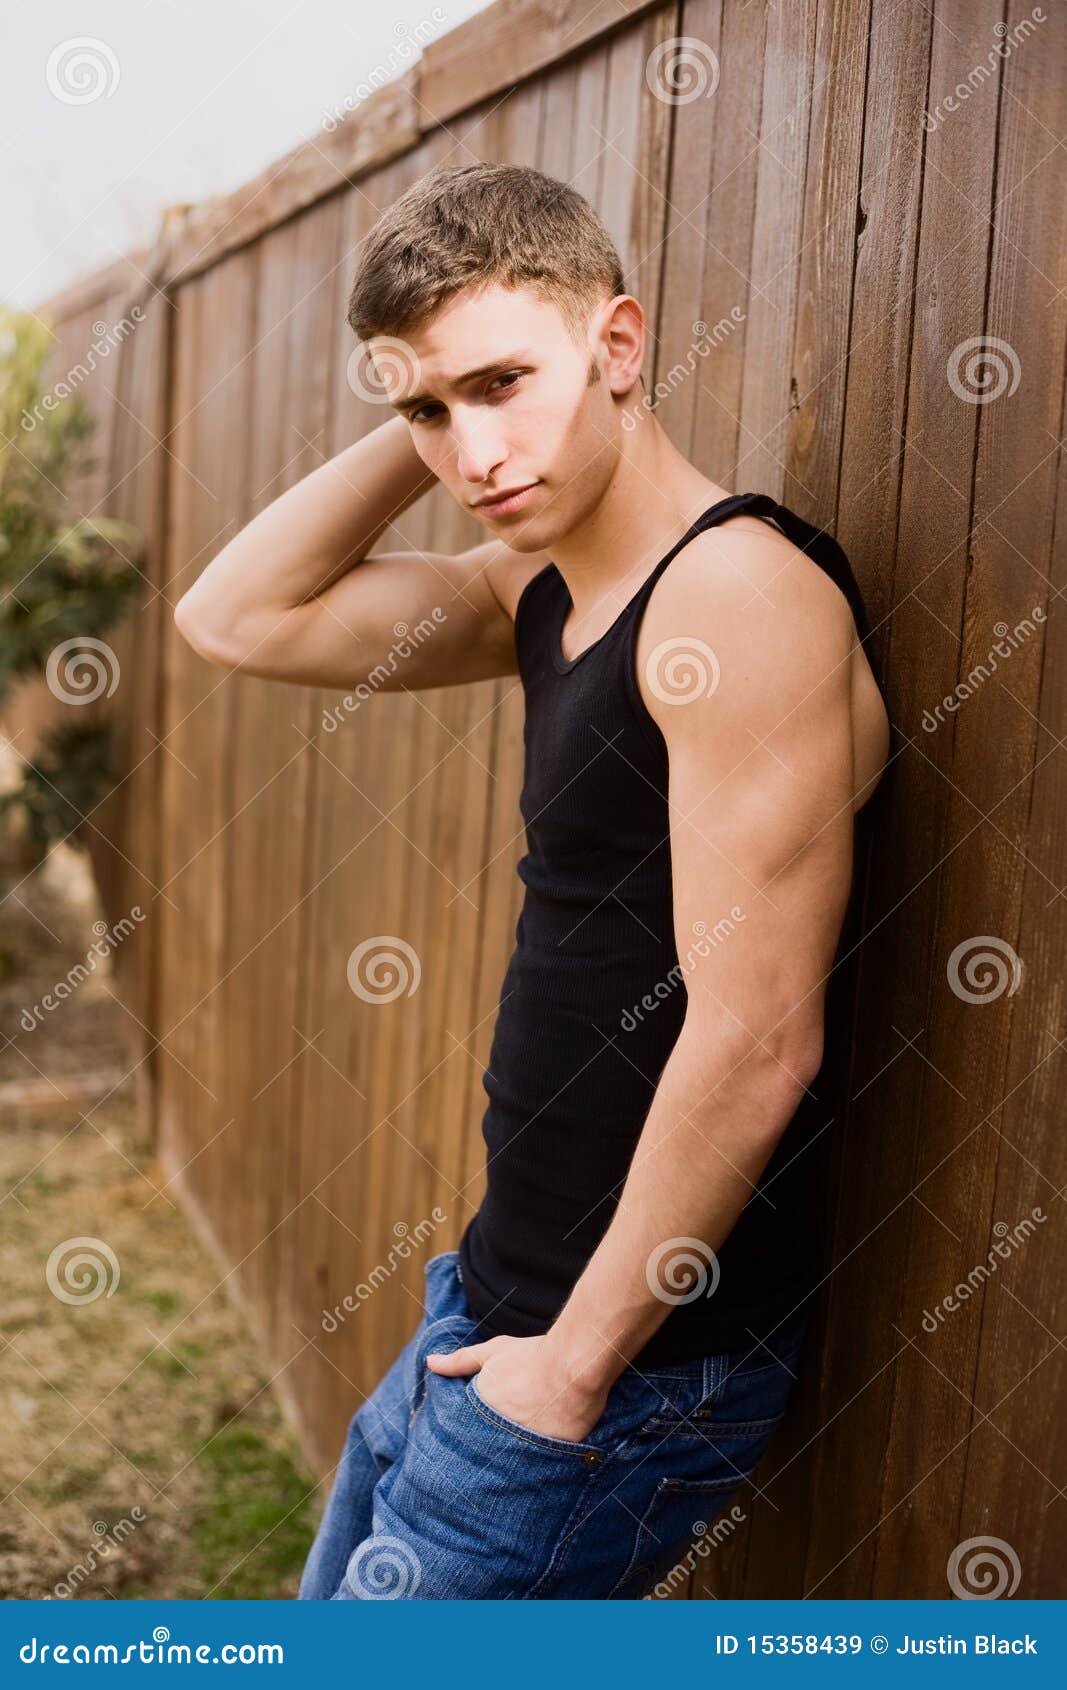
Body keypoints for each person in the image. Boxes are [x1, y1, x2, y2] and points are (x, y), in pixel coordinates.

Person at [174, 161, 890, 1599]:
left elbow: (758, 1038)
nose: (477, 451)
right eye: (433, 413)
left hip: (616, 1370)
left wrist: (572, 1369)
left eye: (508, 382)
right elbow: (235, 616)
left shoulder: (734, 596)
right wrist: (431, 402)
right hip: (491, 1303)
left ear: (619, 346)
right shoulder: (540, 588)